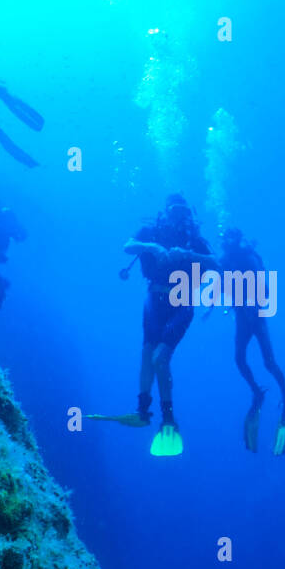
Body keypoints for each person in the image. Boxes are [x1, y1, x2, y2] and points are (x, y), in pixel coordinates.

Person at [89, 194, 214, 456]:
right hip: (153, 299)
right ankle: (142, 411)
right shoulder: (150, 232)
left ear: (188, 214)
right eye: (174, 211)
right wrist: (153, 247)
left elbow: (216, 264)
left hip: (182, 300)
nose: (178, 217)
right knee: (147, 354)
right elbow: (127, 246)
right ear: (165, 212)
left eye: (183, 211)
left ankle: (168, 419)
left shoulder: (194, 239)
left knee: (160, 358)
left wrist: (188, 253)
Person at [219, 227, 285, 454]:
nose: (226, 242)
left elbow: (262, 287)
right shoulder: (225, 259)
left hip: (256, 315)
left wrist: (253, 307)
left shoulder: (248, 257)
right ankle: (257, 392)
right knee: (239, 360)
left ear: (237, 239)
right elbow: (220, 282)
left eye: (230, 238)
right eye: (225, 238)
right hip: (242, 316)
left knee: (269, 362)